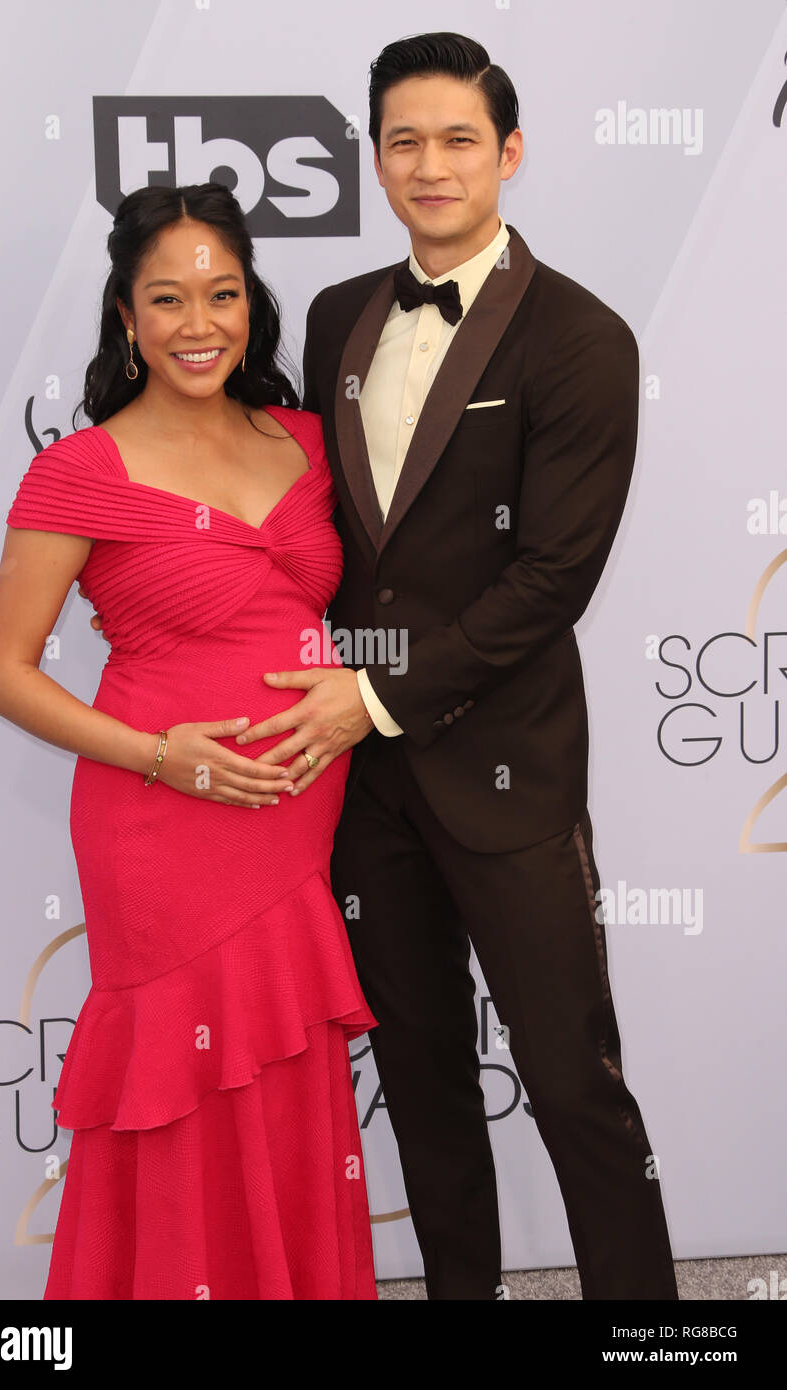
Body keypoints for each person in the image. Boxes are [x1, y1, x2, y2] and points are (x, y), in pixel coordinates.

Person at [224, 32, 680, 1299]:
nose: (430, 166)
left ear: (509, 154)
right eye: (404, 141)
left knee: (572, 1083)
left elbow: (551, 577)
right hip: (364, 793)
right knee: (421, 1079)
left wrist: (370, 693)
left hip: (507, 771)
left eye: (458, 140)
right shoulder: (333, 318)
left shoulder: (582, 337)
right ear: (377, 160)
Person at [0, 182, 378, 1300]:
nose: (198, 323)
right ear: (125, 316)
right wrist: (166, 756)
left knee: (280, 1066)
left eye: (222, 294)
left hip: (291, 832)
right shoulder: (79, 470)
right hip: (162, 821)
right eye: (167, 299)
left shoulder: (301, 438)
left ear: (252, 304)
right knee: (178, 1075)